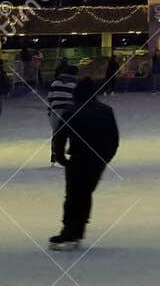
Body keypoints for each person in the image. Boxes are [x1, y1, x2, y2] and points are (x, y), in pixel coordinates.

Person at [49, 77, 120, 251]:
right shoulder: (106, 111)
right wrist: (105, 159)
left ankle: (69, 231)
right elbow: (114, 139)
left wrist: (60, 157)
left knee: (74, 196)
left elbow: (59, 138)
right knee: (85, 194)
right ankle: (78, 230)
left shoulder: (71, 112)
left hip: (78, 159)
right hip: (97, 160)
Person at [47, 63, 79, 164]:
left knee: (56, 133)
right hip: (69, 111)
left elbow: (50, 97)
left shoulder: (55, 83)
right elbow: (77, 100)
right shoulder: (75, 85)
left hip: (55, 110)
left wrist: (50, 109)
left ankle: (54, 154)